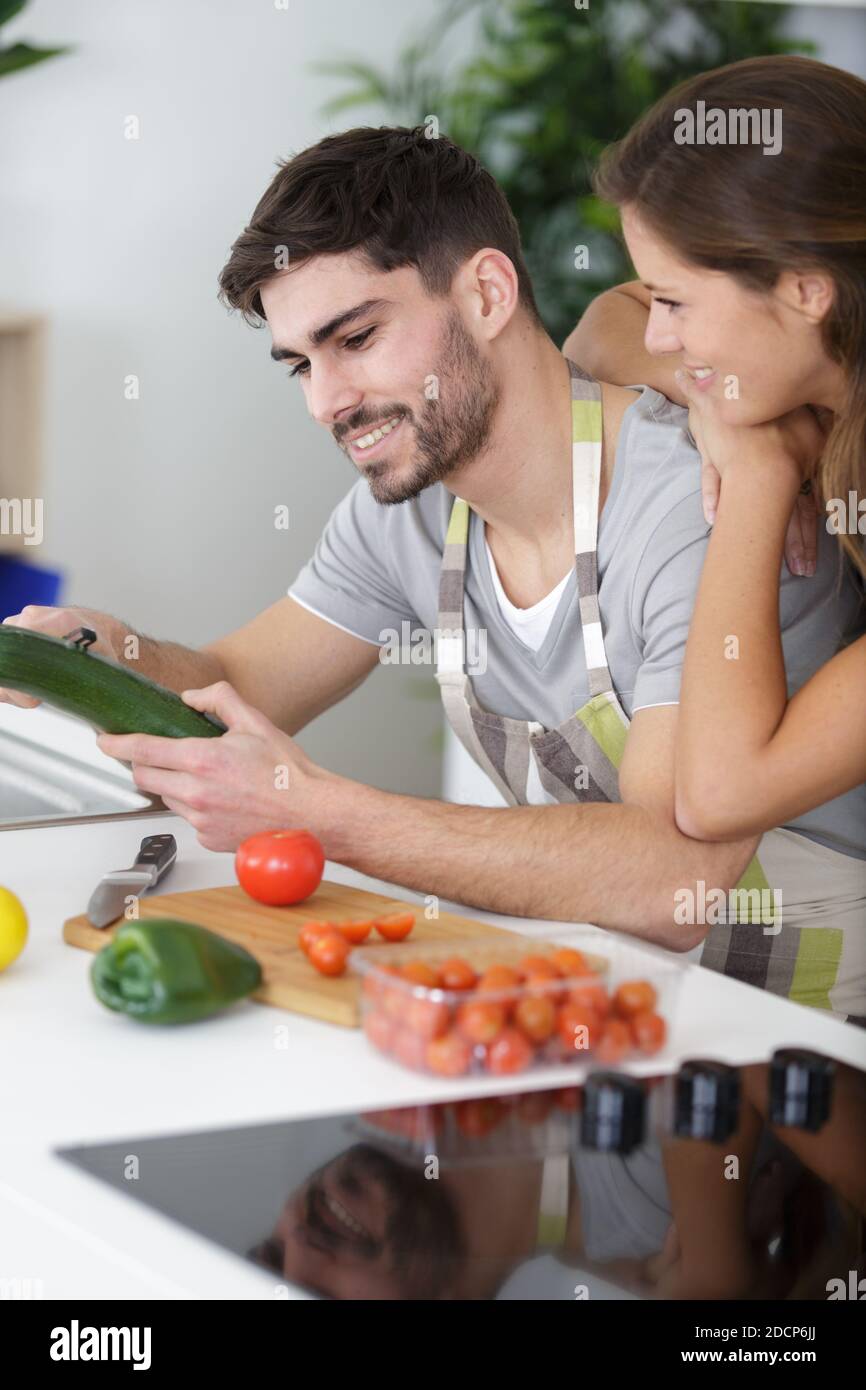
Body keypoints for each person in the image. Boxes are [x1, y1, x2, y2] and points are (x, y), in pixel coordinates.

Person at [1, 125, 860, 1009]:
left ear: (488, 292)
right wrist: (105, 652)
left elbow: (667, 880)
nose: (326, 403)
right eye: (300, 364)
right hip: (619, 1011)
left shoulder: (689, 500)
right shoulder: (412, 512)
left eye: (357, 338)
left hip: (814, 1037)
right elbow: (237, 682)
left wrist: (319, 812)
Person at [564, 55, 866, 1021]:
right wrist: (720, 400)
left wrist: (756, 471)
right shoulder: (823, 380)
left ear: (808, 291)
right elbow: (600, 333)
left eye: (679, 304)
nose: (660, 339)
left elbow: (719, 794)